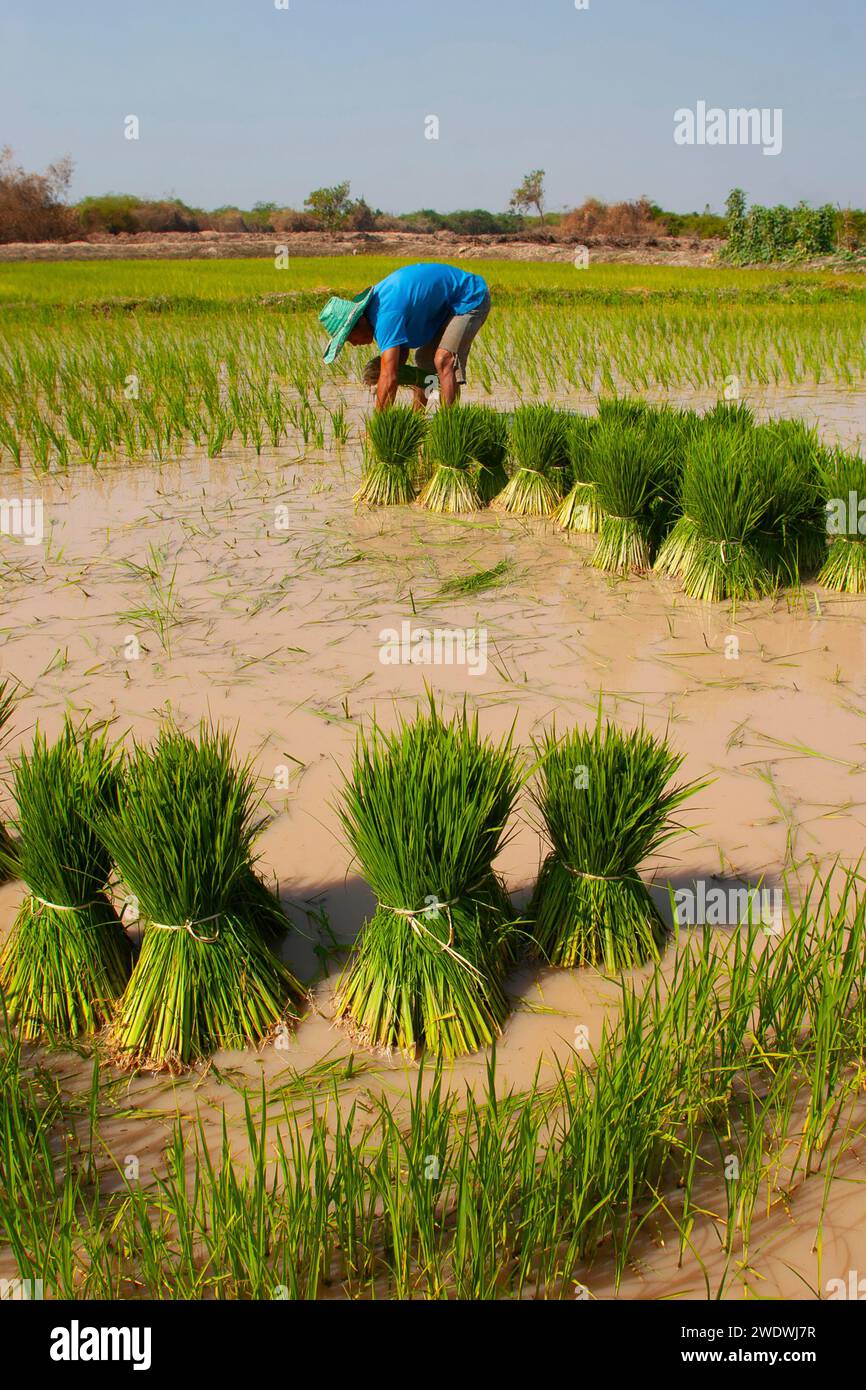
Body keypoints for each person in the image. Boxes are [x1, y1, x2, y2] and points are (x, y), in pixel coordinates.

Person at [319, 262, 491, 409]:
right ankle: (418, 418)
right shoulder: (375, 314)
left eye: (350, 338)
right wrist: (380, 376)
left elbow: (390, 376)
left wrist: (379, 424)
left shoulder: (385, 316)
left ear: (360, 322)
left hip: (470, 297)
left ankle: (450, 425)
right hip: (444, 307)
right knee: (424, 361)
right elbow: (401, 355)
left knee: (443, 359)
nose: (354, 344)